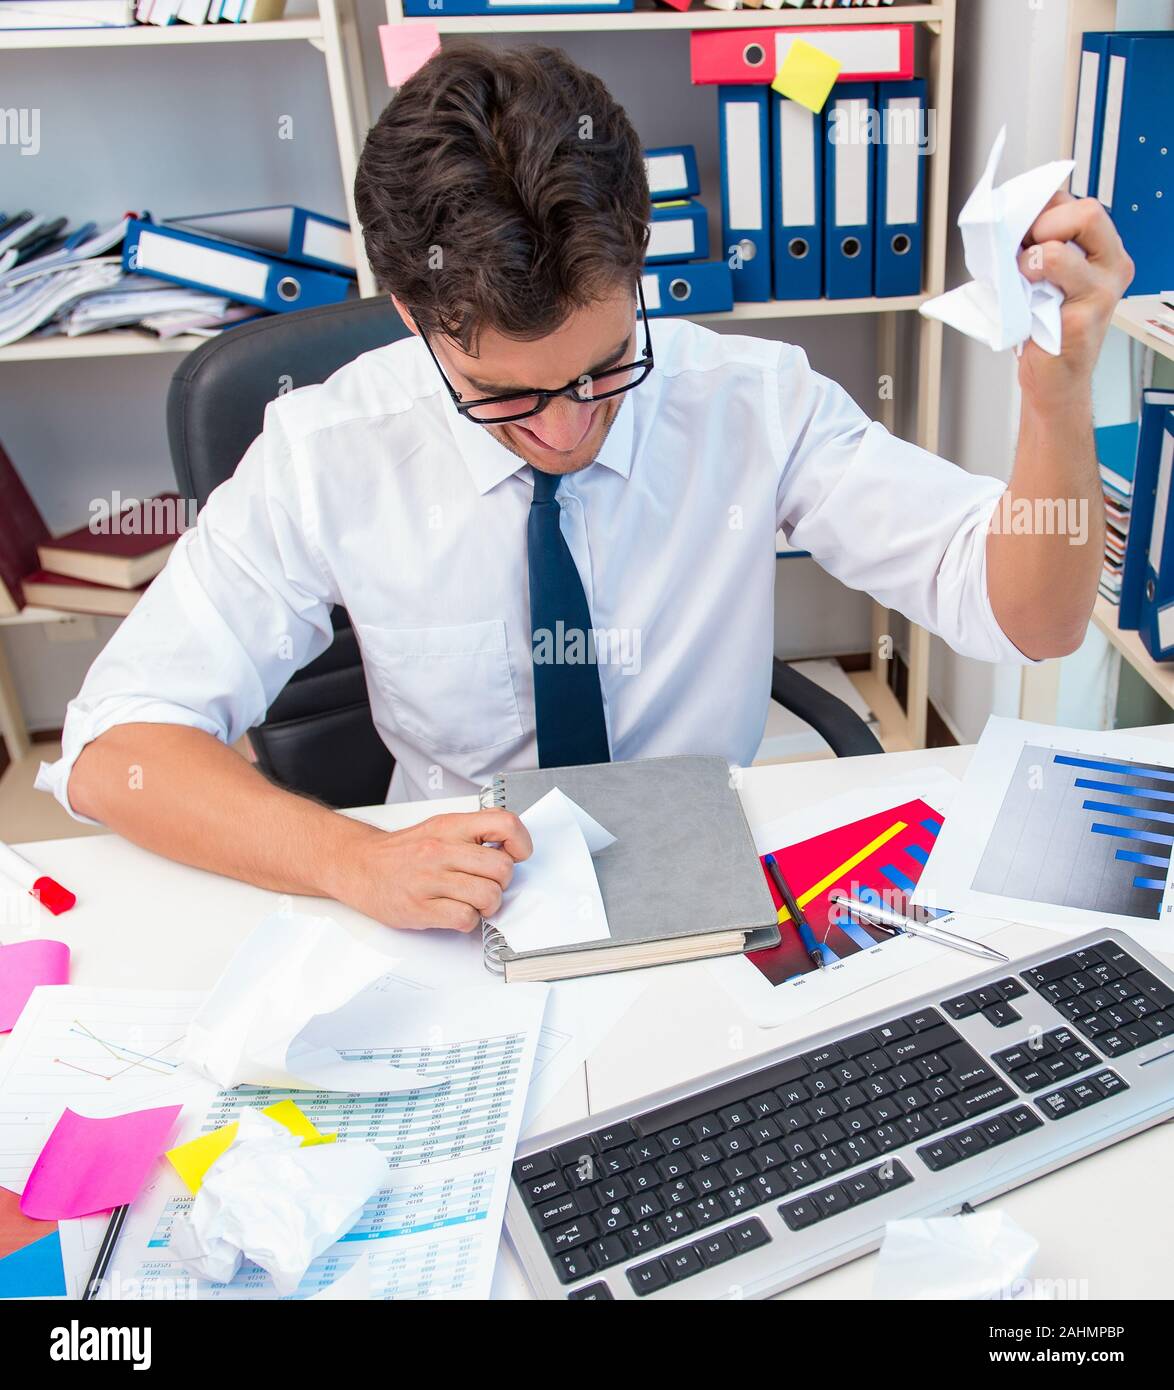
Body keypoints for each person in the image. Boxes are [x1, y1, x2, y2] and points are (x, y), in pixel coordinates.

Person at [40, 45, 1132, 934]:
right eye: (505, 396)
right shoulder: (331, 446)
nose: (565, 428)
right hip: (455, 911)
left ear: (638, 267)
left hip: (713, 894)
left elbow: (1028, 619)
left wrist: (1055, 392)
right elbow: (114, 749)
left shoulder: (748, 399)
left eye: (605, 369)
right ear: (415, 319)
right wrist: (348, 856)